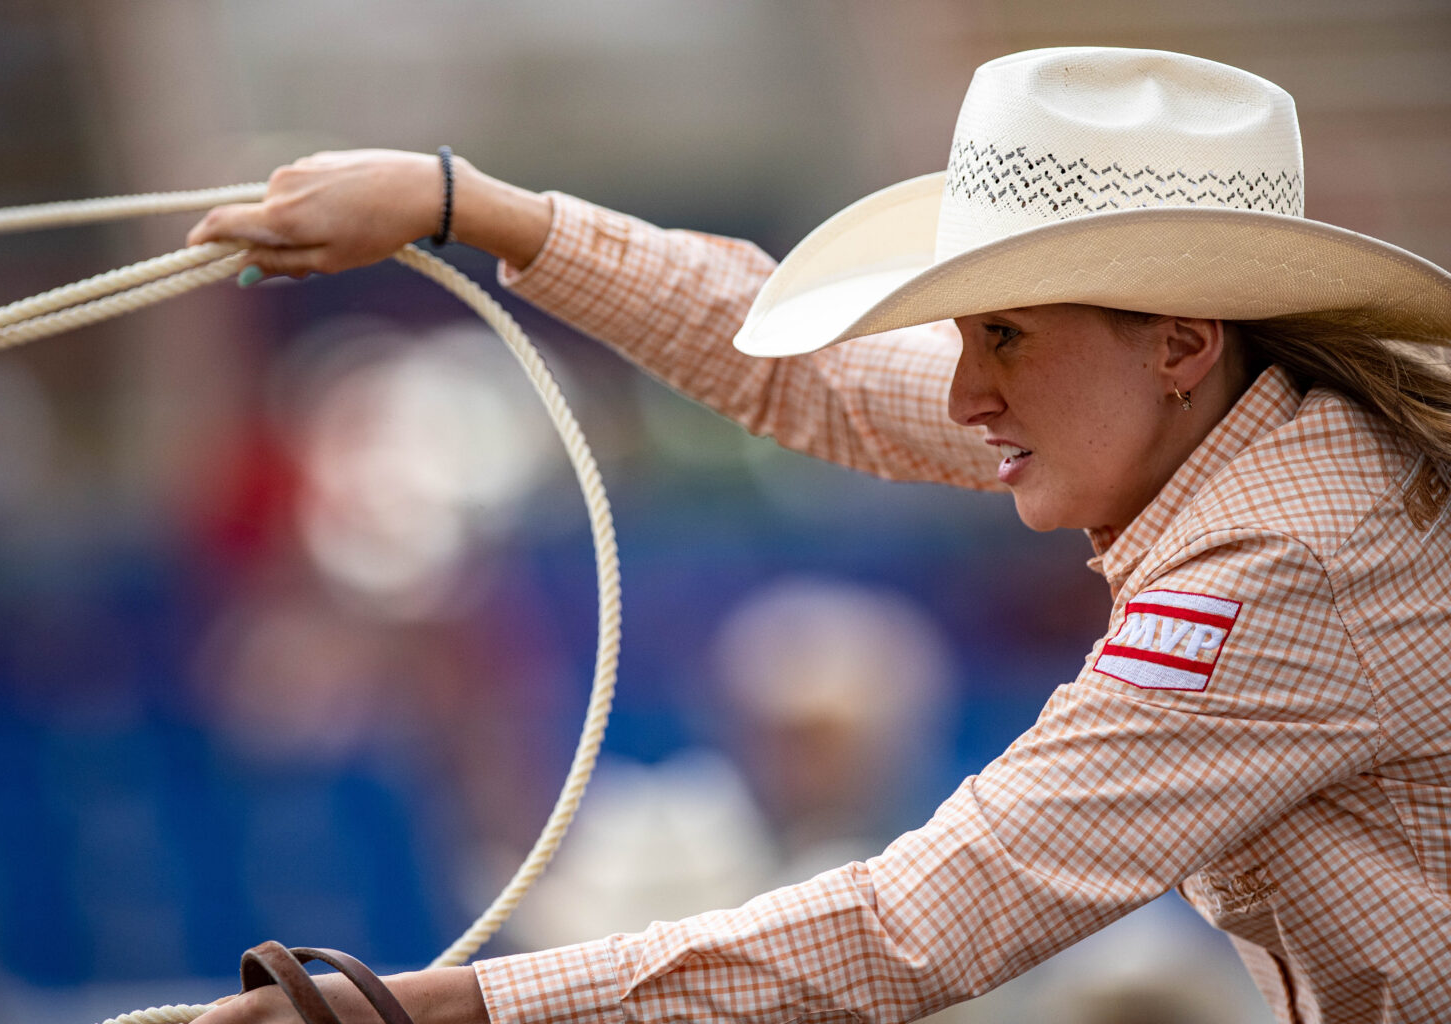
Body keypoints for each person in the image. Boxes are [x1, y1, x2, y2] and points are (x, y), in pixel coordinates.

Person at [186, 46, 1451, 1024]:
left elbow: (921, 925)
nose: (965, 392)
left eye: (1002, 333)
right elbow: (818, 377)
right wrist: (472, 203)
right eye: (965, 333)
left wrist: (439, 1006)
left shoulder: (1276, 558)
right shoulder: (1235, 428)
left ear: (1180, 339)